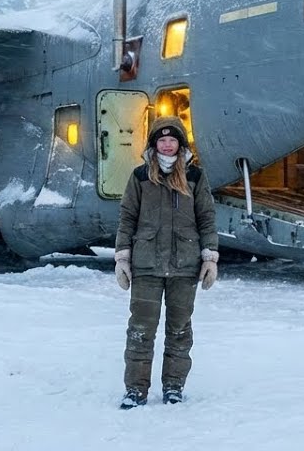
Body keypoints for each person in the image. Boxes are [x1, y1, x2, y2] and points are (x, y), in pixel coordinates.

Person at [114, 115, 219, 408]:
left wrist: (209, 256)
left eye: (173, 140)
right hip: (146, 264)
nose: (168, 144)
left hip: (184, 266)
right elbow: (127, 217)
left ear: (180, 143)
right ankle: (135, 390)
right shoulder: (140, 177)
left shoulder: (195, 177)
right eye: (162, 139)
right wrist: (122, 256)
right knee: (140, 330)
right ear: (154, 143)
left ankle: (173, 386)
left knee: (179, 329)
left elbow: (207, 218)